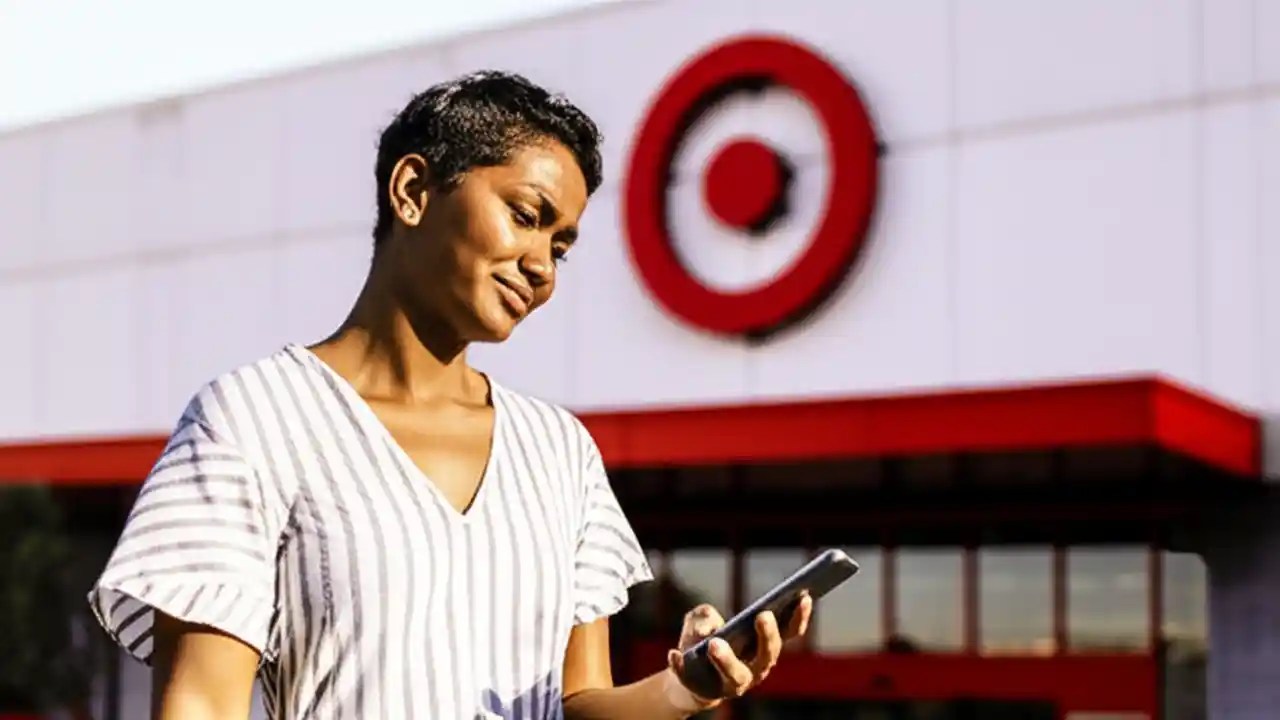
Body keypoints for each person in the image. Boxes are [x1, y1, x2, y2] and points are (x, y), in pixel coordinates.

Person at [87, 70, 813, 719]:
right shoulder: (251, 420)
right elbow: (202, 704)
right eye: (526, 216)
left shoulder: (559, 450)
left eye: (560, 246)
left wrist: (687, 687)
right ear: (412, 191)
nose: (541, 267)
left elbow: (577, 703)